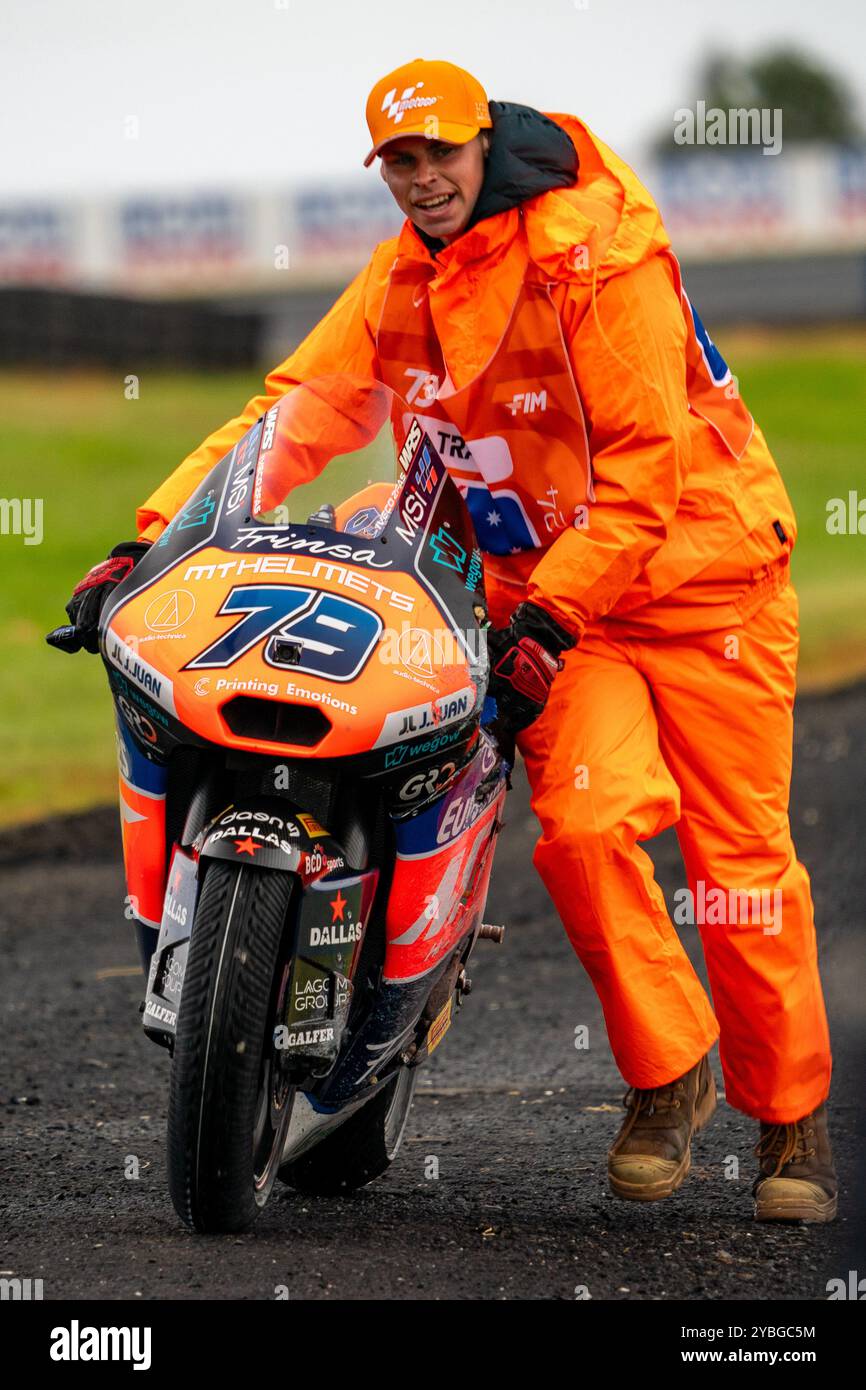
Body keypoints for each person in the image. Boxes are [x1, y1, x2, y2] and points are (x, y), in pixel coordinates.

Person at [62, 58, 836, 1222]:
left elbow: (643, 473)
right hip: (557, 608)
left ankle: (791, 1125)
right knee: (578, 832)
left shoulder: (596, 254)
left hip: (703, 589)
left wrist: (545, 617)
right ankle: (666, 1073)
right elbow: (304, 406)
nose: (422, 180)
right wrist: (153, 540)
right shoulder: (399, 276)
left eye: (440, 155)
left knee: (739, 866)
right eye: (399, 162)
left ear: (487, 147)